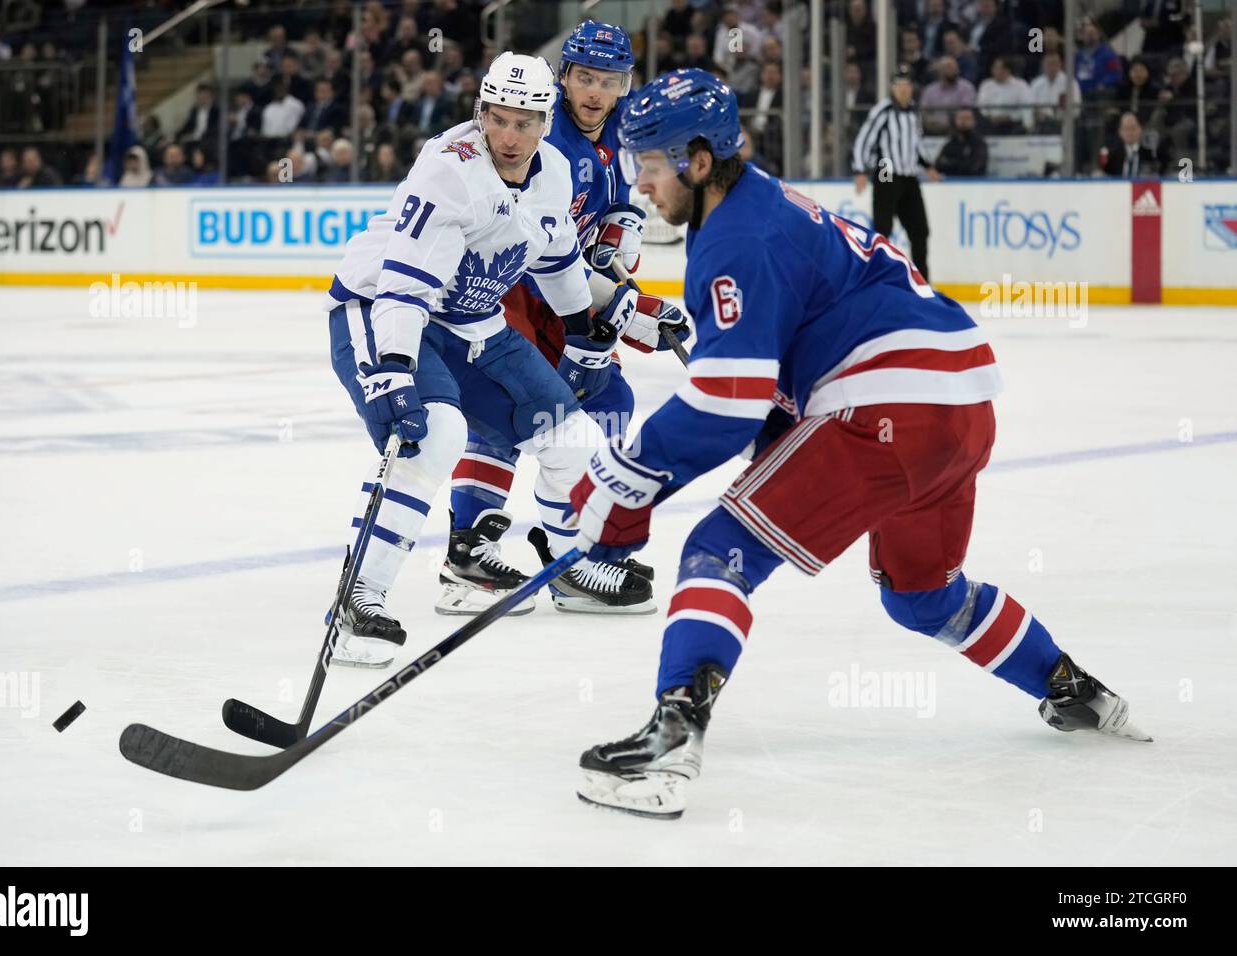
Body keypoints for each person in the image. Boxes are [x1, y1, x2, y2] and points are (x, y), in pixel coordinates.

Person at [565, 69, 1150, 819]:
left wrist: (625, 474)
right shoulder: (762, 206)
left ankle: (673, 737)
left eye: (648, 165)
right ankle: (1072, 689)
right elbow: (772, 392)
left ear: (698, 161)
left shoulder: (735, 240)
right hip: (962, 404)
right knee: (923, 594)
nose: (639, 184)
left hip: (888, 403)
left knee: (717, 551)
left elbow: (727, 402)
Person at [322, 53, 660, 669]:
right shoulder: (450, 170)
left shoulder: (553, 172)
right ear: (480, 113)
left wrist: (590, 326)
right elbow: (402, 283)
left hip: (473, 321)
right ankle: (360, 596)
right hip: (383, 311)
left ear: (544, 122)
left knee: (571, 437)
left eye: (526, 123)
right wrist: (394, 368)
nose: (509, 136)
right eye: (497, 120)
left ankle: (572, 568)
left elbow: (558, 269)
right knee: (437, 433)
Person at [436, 21, 689, 619]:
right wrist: (626, 309)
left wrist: (620, 247)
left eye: (608, 80)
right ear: (563, 78)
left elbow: (596, 235)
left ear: (624, 85)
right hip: (512, 296)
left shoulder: (610, 143)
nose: (595, 92)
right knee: (510, 418)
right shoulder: (548, 143)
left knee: (607, 403)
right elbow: (542, 253)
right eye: (584, 78)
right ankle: (467, 557)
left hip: (560, 300)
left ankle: (573, 555)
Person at [852, 66, 940, 280]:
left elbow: (916, 142)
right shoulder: (883, 110)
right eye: (899, 85)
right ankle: (880, 278)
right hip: (886, 170)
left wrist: (928, 166)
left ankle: (922, 281)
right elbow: (865, 139)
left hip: (909, 174)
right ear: (892, 88)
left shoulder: (913, 112)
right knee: (883, 229)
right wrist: (860, 169)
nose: (903, 90)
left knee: (920, 230)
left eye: (906, 85)